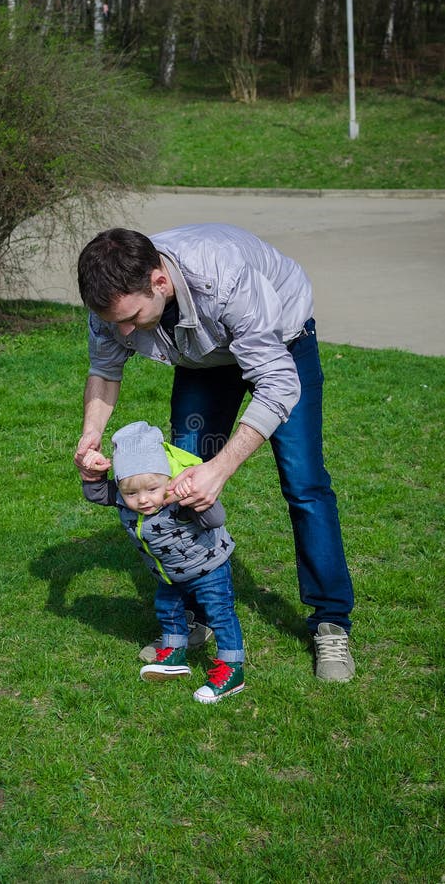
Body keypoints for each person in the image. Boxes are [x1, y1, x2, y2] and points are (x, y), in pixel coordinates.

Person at [74, 224, 355, 683]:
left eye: (131, 317)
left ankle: (331, 622)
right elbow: (104, 368)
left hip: (280, 343)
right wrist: (91, 434)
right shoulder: (113, 304)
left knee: (304, 483)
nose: (121, 330)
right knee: (177, 485)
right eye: (113, 321)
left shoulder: (225, 277)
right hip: (203, 358)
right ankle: (196, 616)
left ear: (159, 282)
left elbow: (278, 385)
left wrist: (219, 468)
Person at [82, 420, 245, 704]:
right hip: (169, 574)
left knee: (220, 615)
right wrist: (93, 473)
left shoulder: (178, 498)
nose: (143, 500)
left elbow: (216, 519)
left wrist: (193, 500)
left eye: (151, 489)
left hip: (209, 568)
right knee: (168, 610)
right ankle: (174, 655)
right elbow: (95, 493)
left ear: (167, 478)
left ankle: (231, 669)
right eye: (131, 493)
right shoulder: (124, 497)